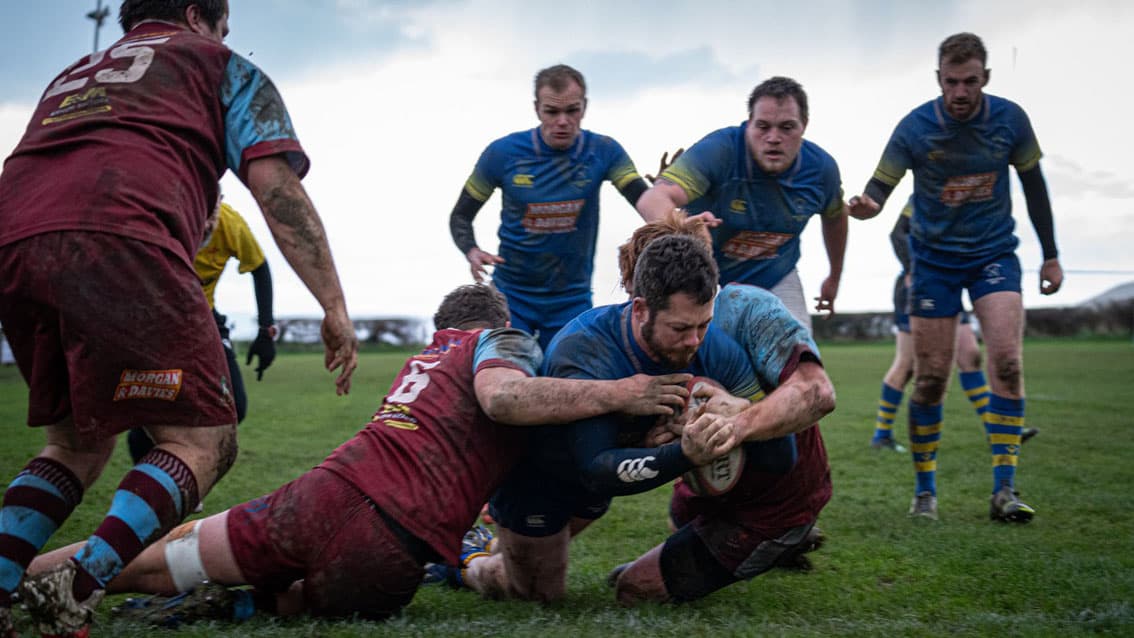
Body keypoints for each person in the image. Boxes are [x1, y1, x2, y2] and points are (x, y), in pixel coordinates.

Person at [24, 284, 700, 626]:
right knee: (301, 596)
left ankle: (17, 577)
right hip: (391, 564)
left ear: (445, 326)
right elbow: (509, 410)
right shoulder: (504, 340)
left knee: (153, 559)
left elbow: (497, 409)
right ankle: (247, 605)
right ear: (492, 322)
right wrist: (629, 392)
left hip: (328, 497)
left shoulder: (429, 357)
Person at [0, 2, 358, 636]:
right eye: (224, 25)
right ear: (200, 16)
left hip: (15, 242)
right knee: (202, 441)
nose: (228, 37)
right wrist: (333, 304)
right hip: (120, 233)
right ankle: (76, 590)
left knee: (73, 445)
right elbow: (276, 188)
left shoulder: (73, 74)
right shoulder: (219, 64)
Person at [450, 231, 832, 605]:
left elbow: (782, 455)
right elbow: (596, 467)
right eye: (680, 328)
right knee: (532, 594)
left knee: (622, 584)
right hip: (543, 479)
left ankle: (499, 547)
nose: (693, 341)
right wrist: (687, 453)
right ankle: (467, 563)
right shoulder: (587, 348)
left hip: (600, 485)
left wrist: (733, 420)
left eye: (703, 324)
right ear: (640, 308)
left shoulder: (714, 344)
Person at [848, 32, 1063, 522]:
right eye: (951, 82)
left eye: (970, 82)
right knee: (929, 380)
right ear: (938, 79)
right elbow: (879, 188)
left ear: (985, 78)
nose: (960, 92)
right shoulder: (915, 127)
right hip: (932, 263)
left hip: (994, 254)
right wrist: (866, 206)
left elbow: (1035, 188)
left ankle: (1004, 490)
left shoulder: (1011, 120)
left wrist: (1050, 255)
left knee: (1006, 362)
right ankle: (926, 492)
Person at [448, 64, 650, 351]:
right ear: (536, 109)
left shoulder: (603, 151)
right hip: (512, 295)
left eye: (572, 110)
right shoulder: (503, 154)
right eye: (552, 112)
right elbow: (461, 215)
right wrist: (472, 250)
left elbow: (644, 200)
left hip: (571, 296)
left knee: (569, 380)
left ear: (585, 107)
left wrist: (678, 218)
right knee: (504, 376)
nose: (563, 121)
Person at [635, 76, 848, 330]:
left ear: (804, 126)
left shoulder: (822, 170)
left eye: (787, 127)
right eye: (763, 126)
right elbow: (652, 199)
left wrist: (834, 277)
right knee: (698, 356)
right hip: (705, 276)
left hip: (776, 276)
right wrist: (682, 227)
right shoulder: (720, 151)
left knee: (802, 361)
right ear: (748, 124)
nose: (773, 137)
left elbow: (836, 217)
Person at [871, 199, 1038, 450]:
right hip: (917, 286)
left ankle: (995, 427)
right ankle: (881, 435)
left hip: (949, 286)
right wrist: (914, 269)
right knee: (906, 366)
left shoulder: (978, 196)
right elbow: (897, 233)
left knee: (970, 356)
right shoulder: (926, 194)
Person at [127, 193, 278, 463]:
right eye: (199, 213)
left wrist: (265, 329)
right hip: (155, 321)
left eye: (212, 213)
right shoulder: (157, 223)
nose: (206, 225)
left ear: (220, 201)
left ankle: (180, 466)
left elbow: (260, 268)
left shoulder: (231, 224)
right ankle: (155, 476)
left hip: (203, 316)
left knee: (233, 407)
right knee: (147, 413)